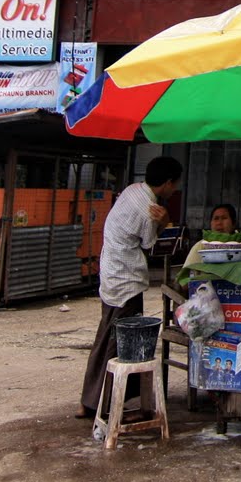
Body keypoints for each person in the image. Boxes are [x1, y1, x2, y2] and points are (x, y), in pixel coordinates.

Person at [77, 155, 183, 420]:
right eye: (175, 185)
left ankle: (99, 399)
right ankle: (103, 402)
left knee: (108, 338)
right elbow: (150, 245)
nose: (175, 190)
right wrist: (164, 220)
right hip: (126, 281)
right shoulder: (149, 208)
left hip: (112, 273)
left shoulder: (131, 190)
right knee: (119, 343)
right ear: (168, 183)